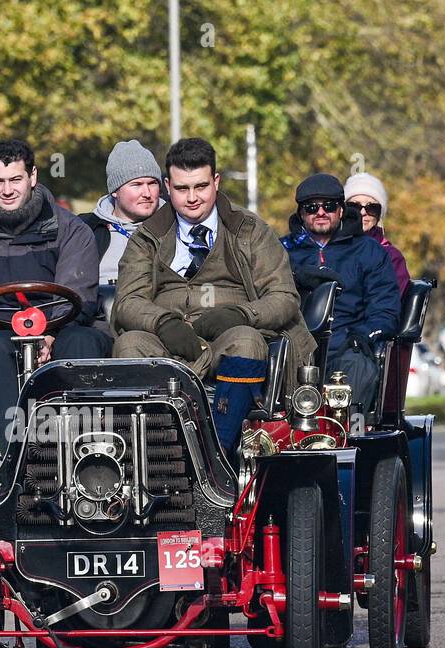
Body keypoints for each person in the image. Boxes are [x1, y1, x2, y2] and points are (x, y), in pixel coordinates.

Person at [111, 137, 312, 445]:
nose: (192, 197)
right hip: (167, 342)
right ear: (167, 186)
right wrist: (162, 322)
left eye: (201, 186)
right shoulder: (147, 237)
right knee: (129, 344)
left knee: (246, 342)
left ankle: (220, 455)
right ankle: (154, 457)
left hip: (230, 336)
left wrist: (242, 314)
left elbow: (284, 297)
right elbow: (128, 301)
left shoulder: (250, 230)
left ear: (216, 181)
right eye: (181, 188)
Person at [0, 139, 107, 445]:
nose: (7, 190)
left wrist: (52, 333)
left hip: (61, 325)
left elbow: (77, 291)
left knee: (84, 342)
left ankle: (87, 450)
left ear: (33, 177)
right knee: (1, 348)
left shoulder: (70, 229)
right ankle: (16, 459)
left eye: (15, 179)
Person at [281, 173, 401, 414]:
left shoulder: (370, 252)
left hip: (346, 344)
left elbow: (386, 310)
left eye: (329, 206)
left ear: (341, 210)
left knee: (357, 367)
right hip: (293, 345)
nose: (321, 212)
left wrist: (362, 337)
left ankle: (343, 436)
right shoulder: (281, 252)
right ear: (301, 213)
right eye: (312, 207)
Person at [78, 139, 165, 317]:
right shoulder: (86, 229)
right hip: (99, 320)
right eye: (137, 185)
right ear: (115, 191)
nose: (147, 193)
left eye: (152, 183)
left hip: (157, 317)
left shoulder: (175, 225)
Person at [343, 172, 411, 296]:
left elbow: (388, 303)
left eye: (372, 208)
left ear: (379, 214)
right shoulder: (329, 248)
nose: (363, 212)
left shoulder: (392, 257)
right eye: (354, 206)